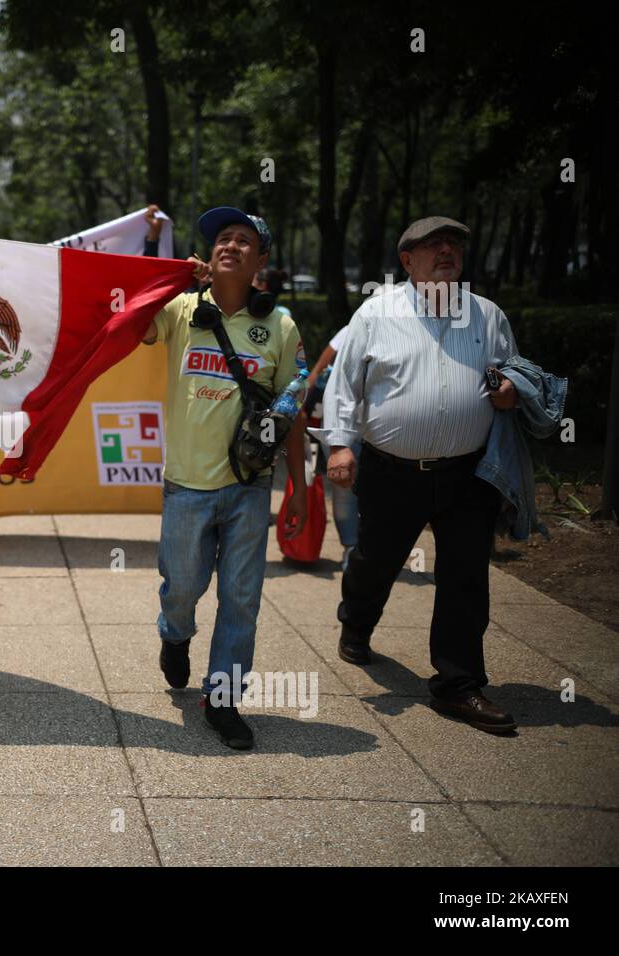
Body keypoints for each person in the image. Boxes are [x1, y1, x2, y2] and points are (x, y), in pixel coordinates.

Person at [320, 216, 519, 735]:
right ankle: (356, 622)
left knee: (465, 577)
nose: (447, 250)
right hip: (391, 472)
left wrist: (509, 391)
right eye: (434, 245)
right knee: (376, 559)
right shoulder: (377, 313)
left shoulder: (487, 315)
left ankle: (459, 685)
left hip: (468, 475)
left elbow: (511, 374)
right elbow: (343, 386)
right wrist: (340, 445)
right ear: (407, 261)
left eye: (454, 243)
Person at [141, 206, 308, 750]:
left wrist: (300, 489)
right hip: (186, 485)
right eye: (221, 239)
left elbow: (295, 406)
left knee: (241, 598)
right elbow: (134, 322)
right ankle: (175, 633)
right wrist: (157, 266)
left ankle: (224, 699)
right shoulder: (181, 307)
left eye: (243, 240)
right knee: (183, 588)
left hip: (251, 487)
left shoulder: (279, 325)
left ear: (261, 260)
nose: (229, 245)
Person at [304, 325, 359, 567]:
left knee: (372, 493)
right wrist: (302, 414)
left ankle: (365, 549)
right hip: (343, 428)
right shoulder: (352, 329)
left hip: (382, 432)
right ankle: (352, 548)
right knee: (345, 489)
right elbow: (317, 374)